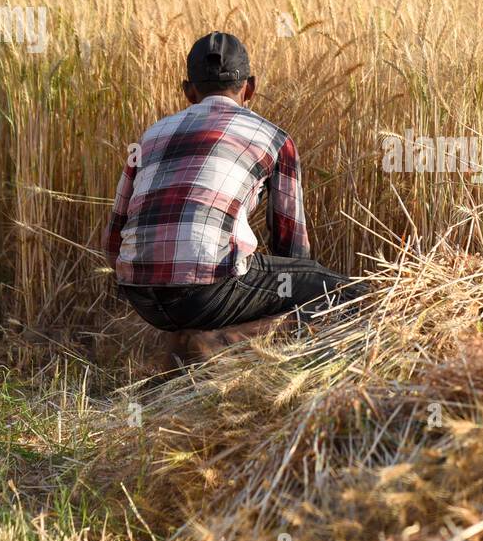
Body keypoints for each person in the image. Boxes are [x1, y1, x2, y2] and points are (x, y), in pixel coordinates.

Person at [103, 32, 364, 368]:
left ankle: (191, 341)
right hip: (208, 294)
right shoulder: (275, 139)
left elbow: (113, 239)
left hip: (139, 292)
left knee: (235, 272)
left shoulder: (151, 136)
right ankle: (215, 346)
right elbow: (291, 250)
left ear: (188, 91)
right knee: (342, 293)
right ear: (250, 87)